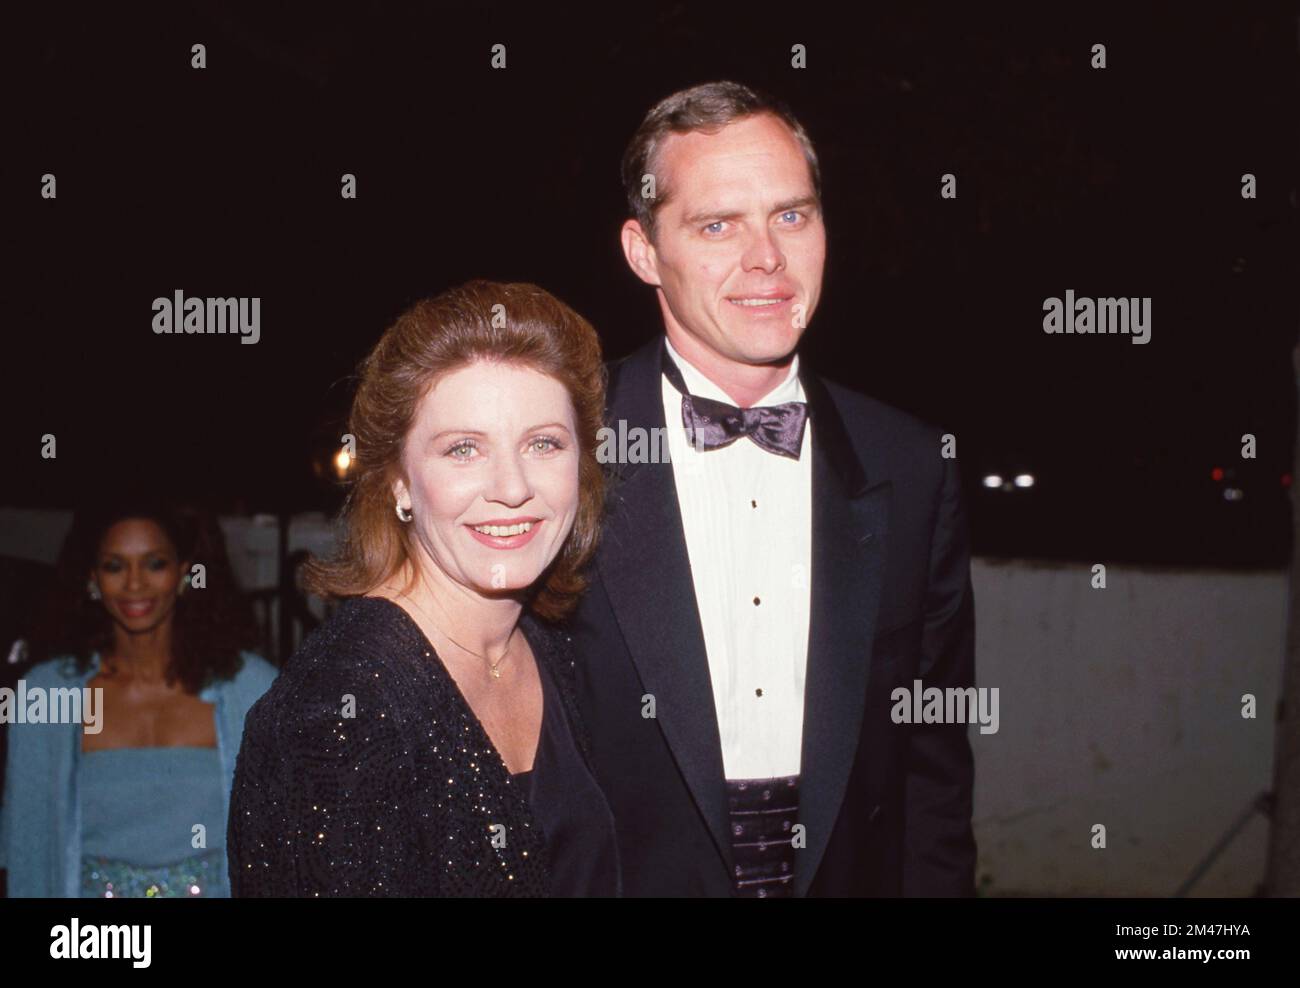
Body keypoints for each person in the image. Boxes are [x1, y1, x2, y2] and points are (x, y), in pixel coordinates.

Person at [569, 81, 978, 896]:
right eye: (717, 225)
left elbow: (932, 774)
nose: (767, 258)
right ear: (643, 250)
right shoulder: (559, 446)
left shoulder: (912, 463)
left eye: (791, 215)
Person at [227, 280, 620, 897]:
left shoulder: (550, 646)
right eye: (463, 449)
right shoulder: (332, 719)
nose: (512, 487)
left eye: (543, 443)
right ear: (398, 483)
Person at [0, 498, 276, 897]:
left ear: (184, 572)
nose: (134, 583)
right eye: (115, 566)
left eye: (154, 563)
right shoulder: (47, 696)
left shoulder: (250, 688)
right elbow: (28, 850)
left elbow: (285, 844)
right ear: (92, 578)